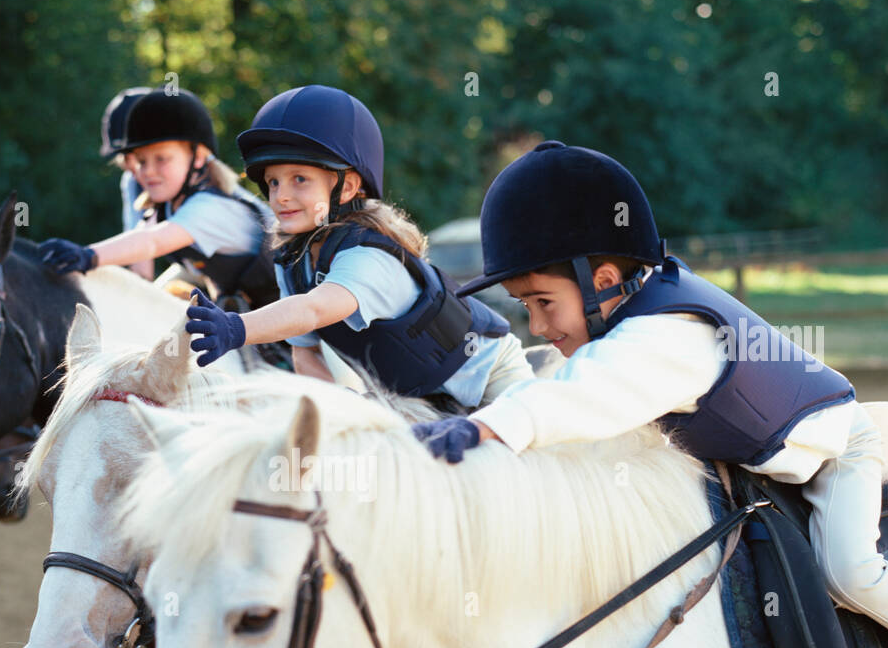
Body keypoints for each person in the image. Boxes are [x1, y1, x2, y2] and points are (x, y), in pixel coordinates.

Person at [411, 140, 888, 648]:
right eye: (525, 308)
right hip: (754, 457)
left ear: (600, 281)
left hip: (838, 451)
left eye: (543, 303)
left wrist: (487, 430)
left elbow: (581, 397)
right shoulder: (628, 317)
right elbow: (567, 385)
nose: (537, 326)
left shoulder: (665, 336)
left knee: (849, 570)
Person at [182, 84, 535, 411]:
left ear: (347, 187)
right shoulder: (293, 262)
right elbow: (306, 358)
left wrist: (236, 328)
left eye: (299, 179)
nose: (281, 195)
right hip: (420, 400)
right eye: (273, 182)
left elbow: (314, 310)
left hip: (491, 379)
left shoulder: (369, 257)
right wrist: (350, 409)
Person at [39, 88, 280, 315]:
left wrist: (87, 255)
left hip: (295, 310)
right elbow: (141, 265)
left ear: (198, 158)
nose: (147, 172)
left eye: (161, 159)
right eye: (141, 162)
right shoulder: (166, 203)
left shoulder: (211, 208)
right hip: (248, 304)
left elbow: (151, 242)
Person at [99, 86, 154, 278]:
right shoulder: (132, 182)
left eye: (137, 156)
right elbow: (140, 266)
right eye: (126, 157)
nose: (135, 169)